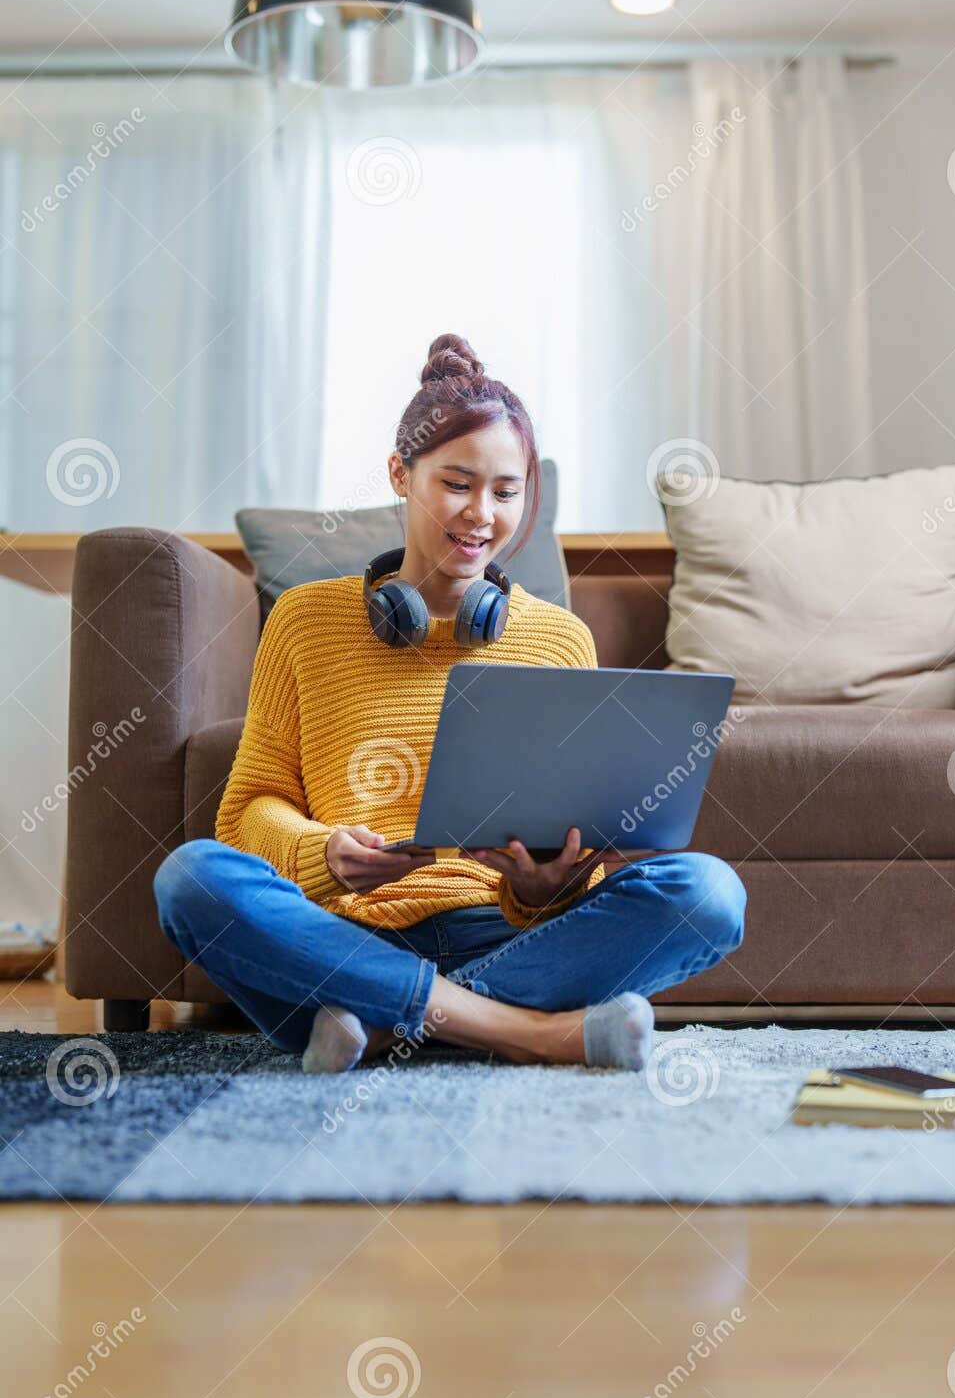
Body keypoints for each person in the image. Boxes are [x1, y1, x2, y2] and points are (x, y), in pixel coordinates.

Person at [153, 334, 747, 1075]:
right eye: (457, 484)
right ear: (401, 473)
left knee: (709, 894)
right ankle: (529, 1034)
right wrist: (322, 854)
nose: (481, 515)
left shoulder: (559, 638)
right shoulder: (305, 620)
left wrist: (539, 889)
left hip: (500, 936)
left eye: (505, 491)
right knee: (190, 877)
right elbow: (247, 813)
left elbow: (576, 850)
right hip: (343, 936)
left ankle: (371, 1029)